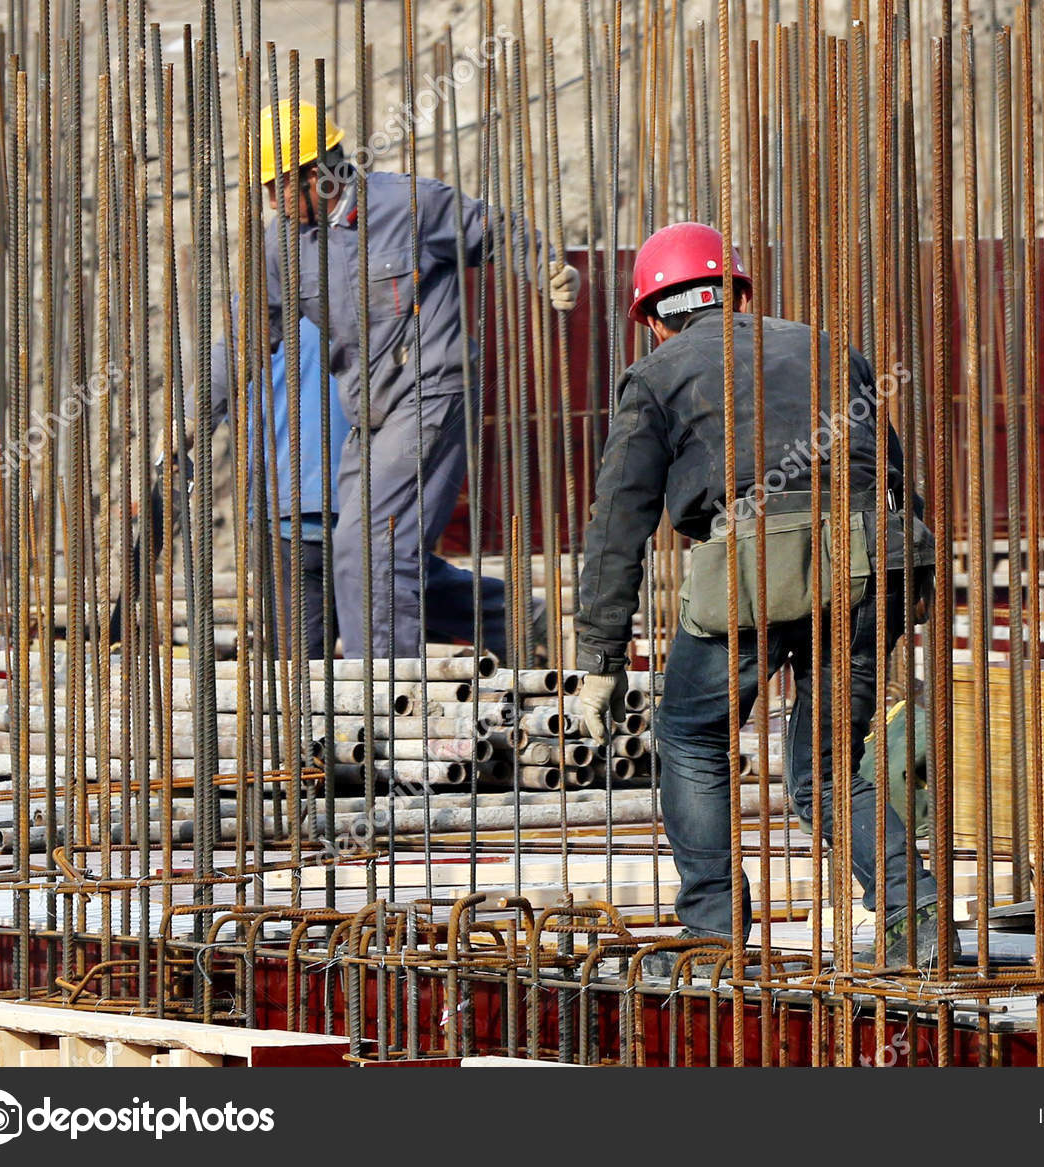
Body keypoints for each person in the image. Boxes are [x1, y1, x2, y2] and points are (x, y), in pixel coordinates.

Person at [573, 221, 953, 975]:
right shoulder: (825, 347)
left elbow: (620, 520)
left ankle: (713, 937)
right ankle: (920, 918)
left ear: (652, 318)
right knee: (825, 767)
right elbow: (892, 474)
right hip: (874, 558)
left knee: (690, 738)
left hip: (759, 560)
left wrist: (600, 656)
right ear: (740, 293)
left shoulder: (657, 374)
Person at [213, 101, 579, 661]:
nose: (272, 201)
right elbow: (244, 342)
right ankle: (422, 673)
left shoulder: (409, 204)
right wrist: (190, 417)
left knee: (374, 546)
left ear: (319, 174)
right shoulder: (283, 244)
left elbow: (495, 230)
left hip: (431, 389)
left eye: (279, 185)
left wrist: (547, 266)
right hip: (373, 409)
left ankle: (388, 701)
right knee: (350, 552)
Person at [209, 314, 348, 658]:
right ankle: (497, 613)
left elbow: (212, 393)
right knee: (379, 656)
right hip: (365, 505)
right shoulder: (360, 313)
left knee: (300, 670)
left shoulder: (252, 330)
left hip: (288, 514)